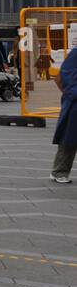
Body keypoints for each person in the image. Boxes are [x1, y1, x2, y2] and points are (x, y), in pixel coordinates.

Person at [52, 45, 77, 184]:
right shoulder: (76, 53)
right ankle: (59, 171)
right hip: (74, 103)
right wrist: (72, 94)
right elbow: (64, 76)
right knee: (69, 138)